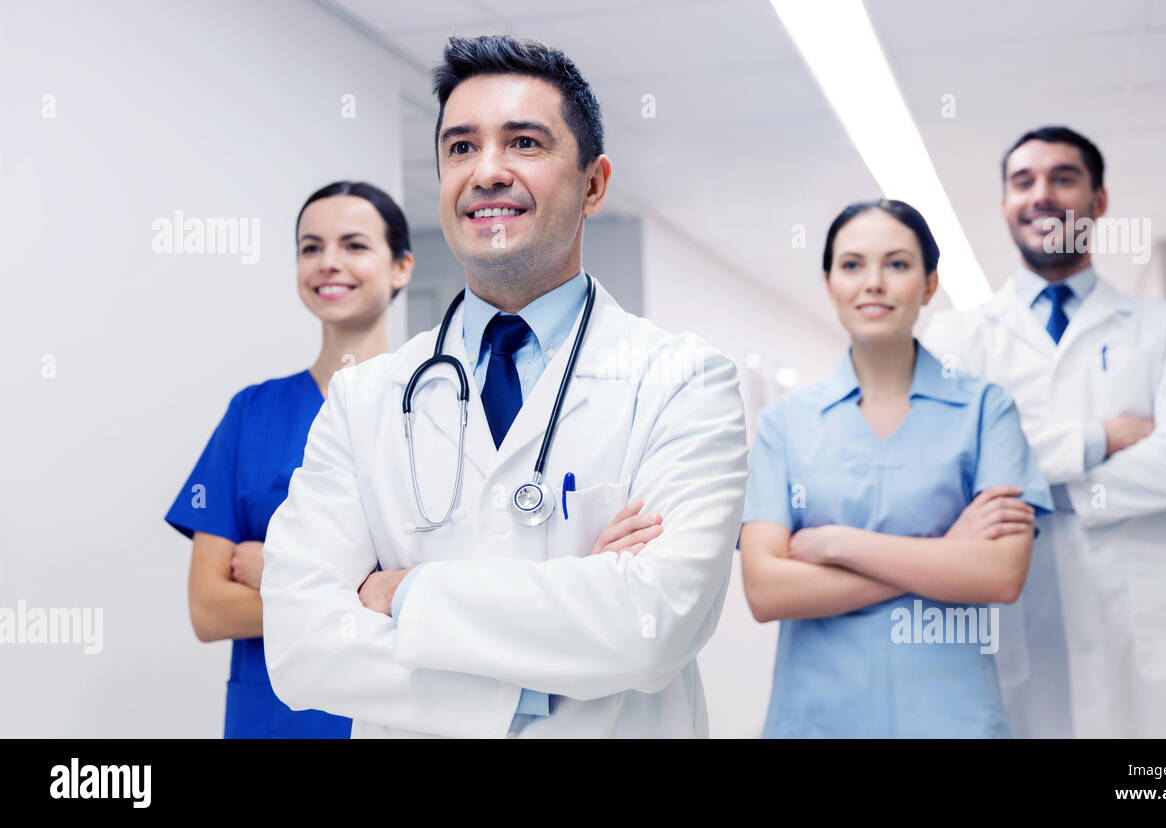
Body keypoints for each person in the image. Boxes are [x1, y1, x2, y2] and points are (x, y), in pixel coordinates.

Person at [259, 35, 748, 739]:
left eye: (523, 142)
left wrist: (403, 593)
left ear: (593, 183)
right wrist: (533, 683)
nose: (487, 171)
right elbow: (303, 646)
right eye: (460, 148)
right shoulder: (365, 398)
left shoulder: (683, 380)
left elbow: (652, 624)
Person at [922, 126, 1166, 738]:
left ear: (1099, 201)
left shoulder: (1164, 326)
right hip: (1016, 648)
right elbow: (943, 474)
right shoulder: (953, 339)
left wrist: (1032, 488)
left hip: (1145, 654)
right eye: (1022, 181)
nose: (1042, 194)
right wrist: (1103, 438)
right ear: (1005, 204)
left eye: (1063, 178)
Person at [739, 199, 1053, 738]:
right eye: (853, 264)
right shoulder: (785, 425)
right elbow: (767, 592)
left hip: (952, 719)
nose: (875, 283)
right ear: (830, 281)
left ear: (930, 285)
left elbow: (1001, 576)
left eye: (899, 264)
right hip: (818, 719)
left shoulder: (985, 410)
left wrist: (839, 543)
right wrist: (948, 554)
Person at [165, 180, 415, 738]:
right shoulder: (252, 413)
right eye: (310, 247)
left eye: (353, 245)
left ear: (400, 267)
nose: (328, 263)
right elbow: (208, 609)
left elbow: (455, 588)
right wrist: (373, 591)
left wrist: (277, 571)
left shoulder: (438, 407)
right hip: (275, 721)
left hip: (397, 712)